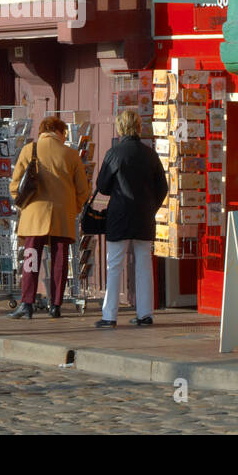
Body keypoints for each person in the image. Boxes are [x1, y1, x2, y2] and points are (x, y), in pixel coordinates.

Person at [8, 116, 90, 319]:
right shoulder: (71, 154)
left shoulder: (30, 150)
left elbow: (15, 185)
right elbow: (83, 190)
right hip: (62, 214)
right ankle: (56, 305)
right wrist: (74, 208)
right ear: (59, 131)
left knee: (31, 259)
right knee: (59, 261)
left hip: (34, 213)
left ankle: (27, 303)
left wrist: (24, 206)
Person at [93, 109, 167, 328]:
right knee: (144, 264)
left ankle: (110, 315)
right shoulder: (150, 154)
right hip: (144, 215)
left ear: (120, 127)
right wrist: (151, 207)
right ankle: (145, 314)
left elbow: (102, 187)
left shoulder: (114, 153)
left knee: (114, 264)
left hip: (119, 215)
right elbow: (162, 187)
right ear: (138, 127)